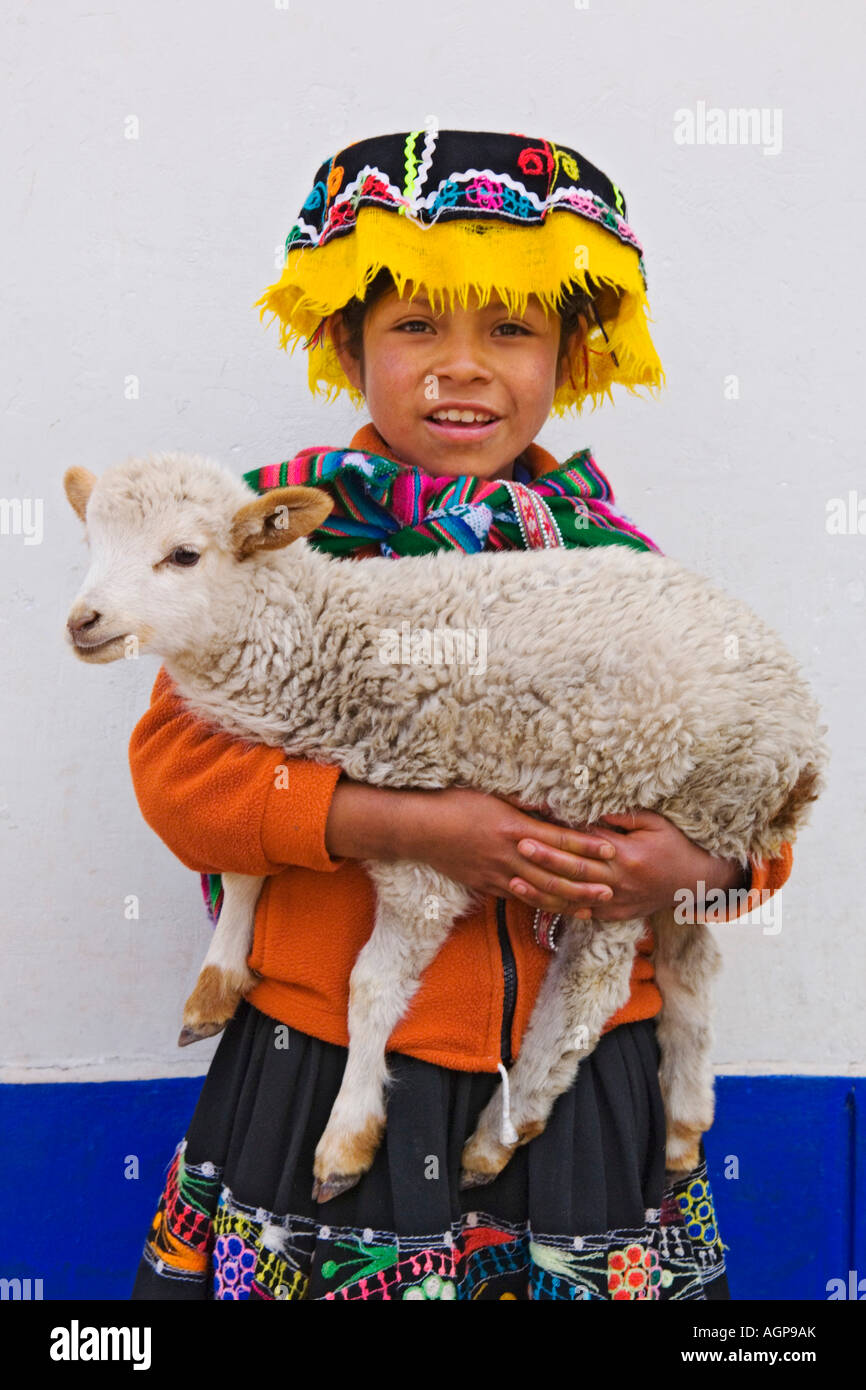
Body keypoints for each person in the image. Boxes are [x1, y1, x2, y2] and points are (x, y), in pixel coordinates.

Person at [129, 128, 791, 1301]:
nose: (462, 367)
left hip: (581, 1088)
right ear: (346, 343)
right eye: (416, 328)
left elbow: (754, 812)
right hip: (328, 1063)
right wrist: (401, 825)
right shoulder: (264, 553)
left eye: (509, 330)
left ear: (570, 355)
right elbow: (182, 782)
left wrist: (689, 863)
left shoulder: (619, 576)